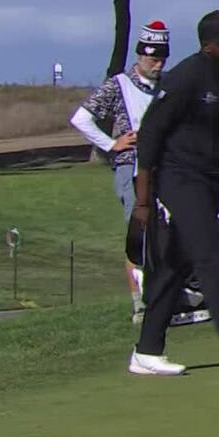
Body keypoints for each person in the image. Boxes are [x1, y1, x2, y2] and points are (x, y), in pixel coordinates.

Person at [128, 9, 219, 380]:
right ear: (207, 45)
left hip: (211, 179)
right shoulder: (184, 77)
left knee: (177, 264)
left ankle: (146, 351)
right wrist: (143, 201)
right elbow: (149, 136)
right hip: (176, 177)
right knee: (210, 255)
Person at [71, 20, 170, 321]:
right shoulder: (118, 85)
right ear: (141, 56)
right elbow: (82, 119)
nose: (159, 64)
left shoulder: (168, 87)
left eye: (162, 58)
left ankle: (167, 294)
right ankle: (139, 303)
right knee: (138, 234)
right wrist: (111, 144)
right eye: (154, 58)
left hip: (165, 167)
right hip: (131, 168)